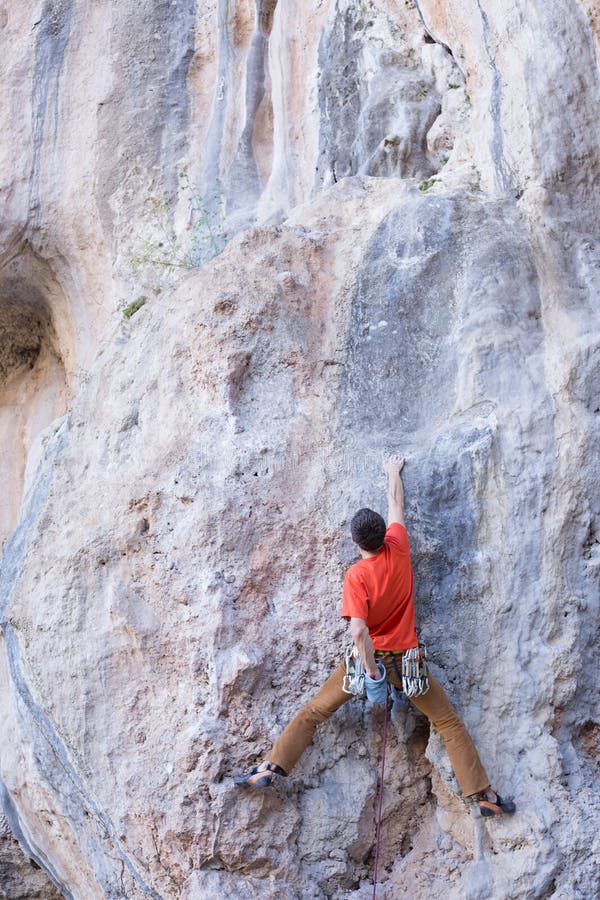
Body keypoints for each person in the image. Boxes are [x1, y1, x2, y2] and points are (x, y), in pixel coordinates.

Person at [235, 458, 515, 817]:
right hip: (409, 661)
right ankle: (484, 794)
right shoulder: (398, 546)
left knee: (315, 711)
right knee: (447, 723)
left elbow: (358, 630)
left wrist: (371, 674)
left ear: (354, 541)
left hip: (372, 659)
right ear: (383, 535)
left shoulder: (357, 576)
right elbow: (396, 503)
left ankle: (271, 767)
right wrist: (393, 473)